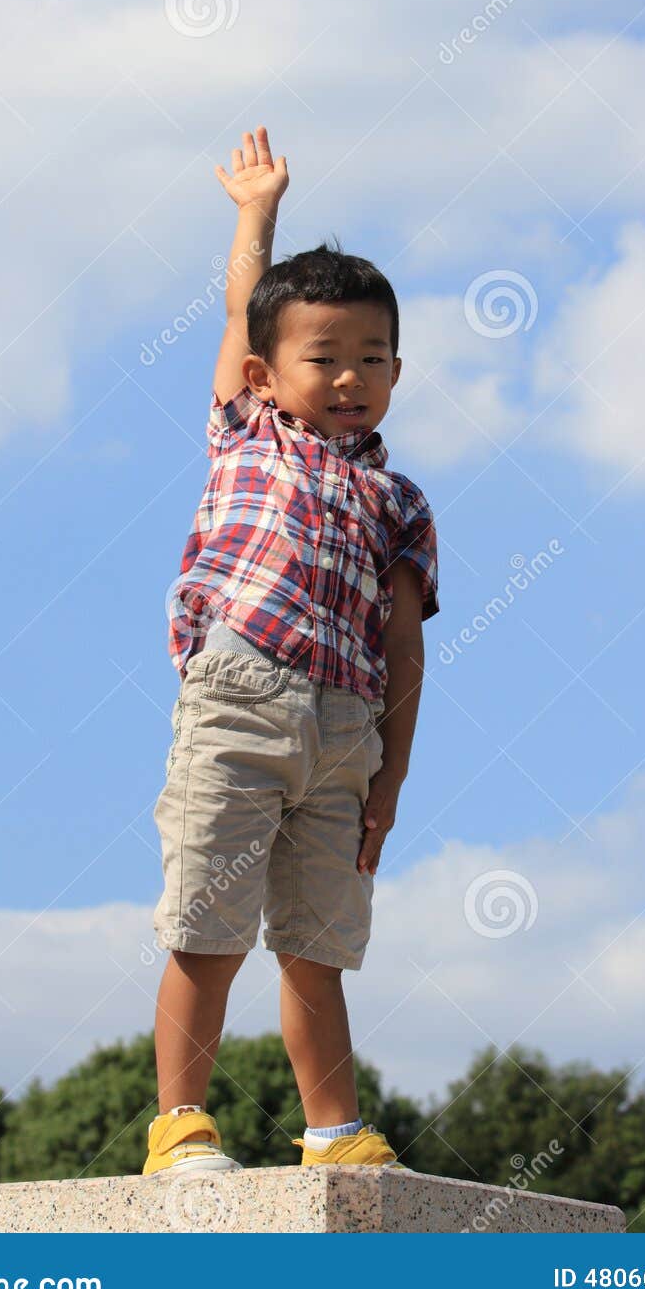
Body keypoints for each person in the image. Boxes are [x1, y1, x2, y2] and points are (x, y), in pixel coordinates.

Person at [143, 126, 439, 1180]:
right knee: (208, 925)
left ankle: (333, 1132)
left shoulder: (400, 501)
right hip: (240, 699)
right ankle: (180, 1121)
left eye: (371, 359)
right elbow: (241, 308)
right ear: (269, 375)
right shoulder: (249, 429)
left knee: (317, 945)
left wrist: (389, 775)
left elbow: (402, 643)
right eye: (324, 358)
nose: (349, 377)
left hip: (345, 733)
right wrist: (252, 212)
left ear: (396, 369)